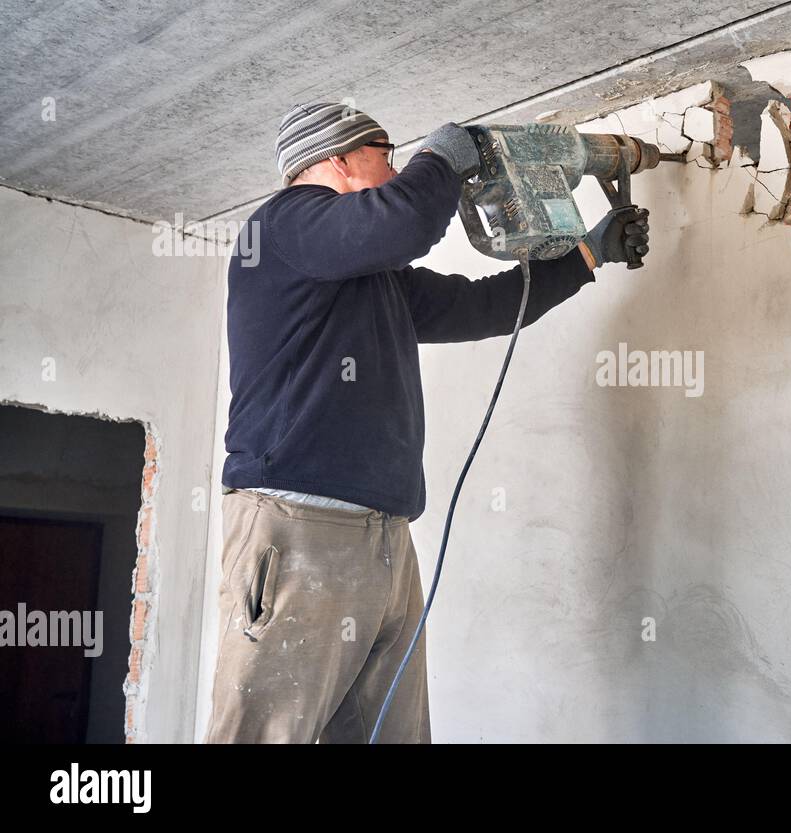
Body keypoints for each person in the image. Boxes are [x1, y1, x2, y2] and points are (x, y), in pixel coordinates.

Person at [204, 102, 650, 743]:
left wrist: (585, 255)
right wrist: (443, 154)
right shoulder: (280, 228)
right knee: (268, 732)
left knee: (388, 734)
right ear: (339, 162)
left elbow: (485, 306)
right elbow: (406, 221)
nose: (395, 169)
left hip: (385, 537)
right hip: (298, 529)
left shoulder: (371, 278)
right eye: (385, 155)